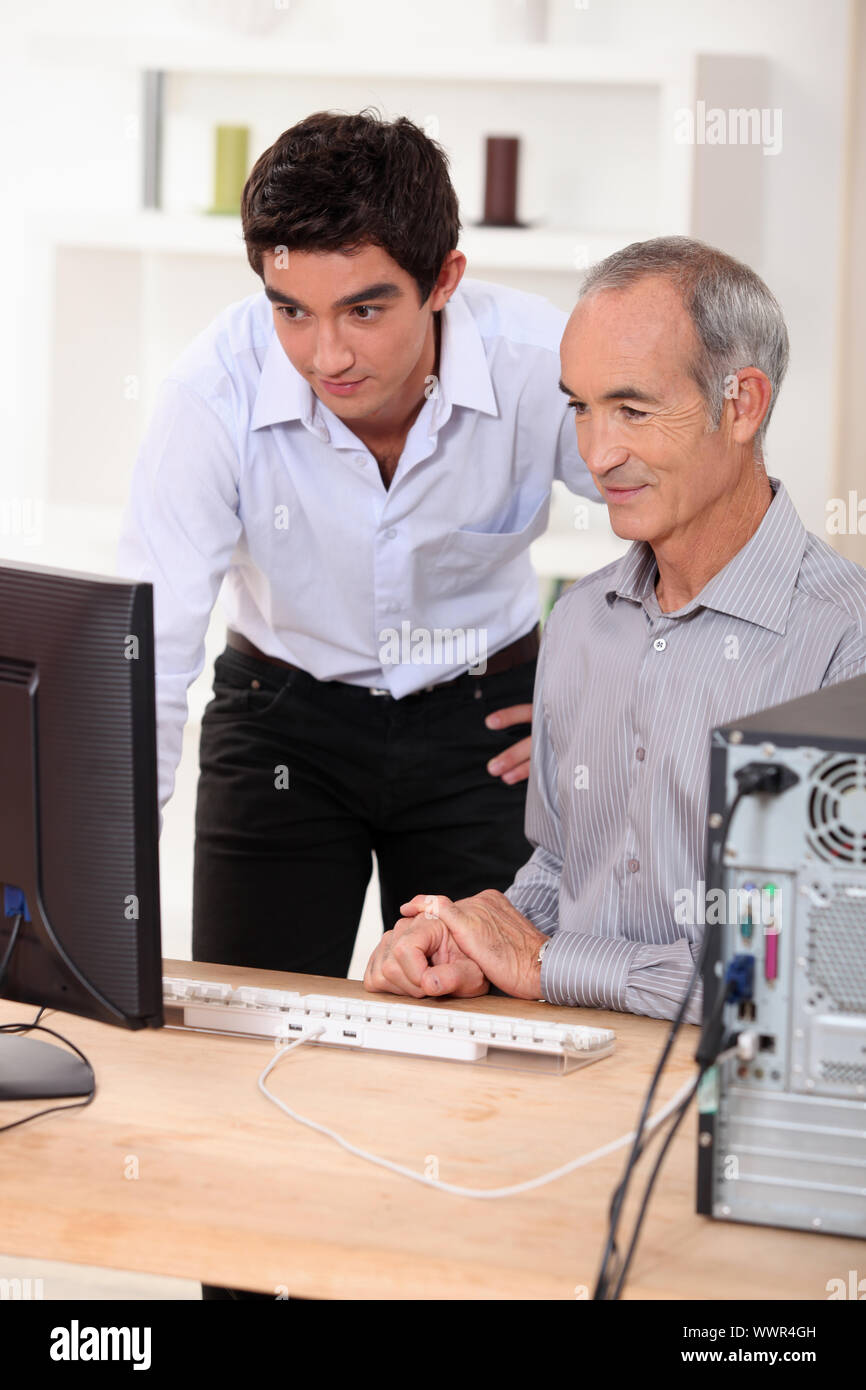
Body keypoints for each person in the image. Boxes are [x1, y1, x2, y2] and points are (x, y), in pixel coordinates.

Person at [115, 109, 599, 1299]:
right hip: (281, 720)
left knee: (489, 1067)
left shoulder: (545, 362)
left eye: (364, 308)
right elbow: (151, 647)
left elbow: (679, 515)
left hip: (483, 727)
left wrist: (604, 697)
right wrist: (100, 885)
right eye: (291, 309)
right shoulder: (211, 390)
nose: (324, 353)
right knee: (244, 1056)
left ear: (444, 280)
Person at [363, 236, 866, 1021]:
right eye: (580, 407)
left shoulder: (845, 648)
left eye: (632, 409)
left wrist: (546, 962)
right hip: (561, 1082)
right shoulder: (579, 622)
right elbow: (564, 867)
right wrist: (466, 941)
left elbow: (821, 972)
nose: (597, 454)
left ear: (742, 405)